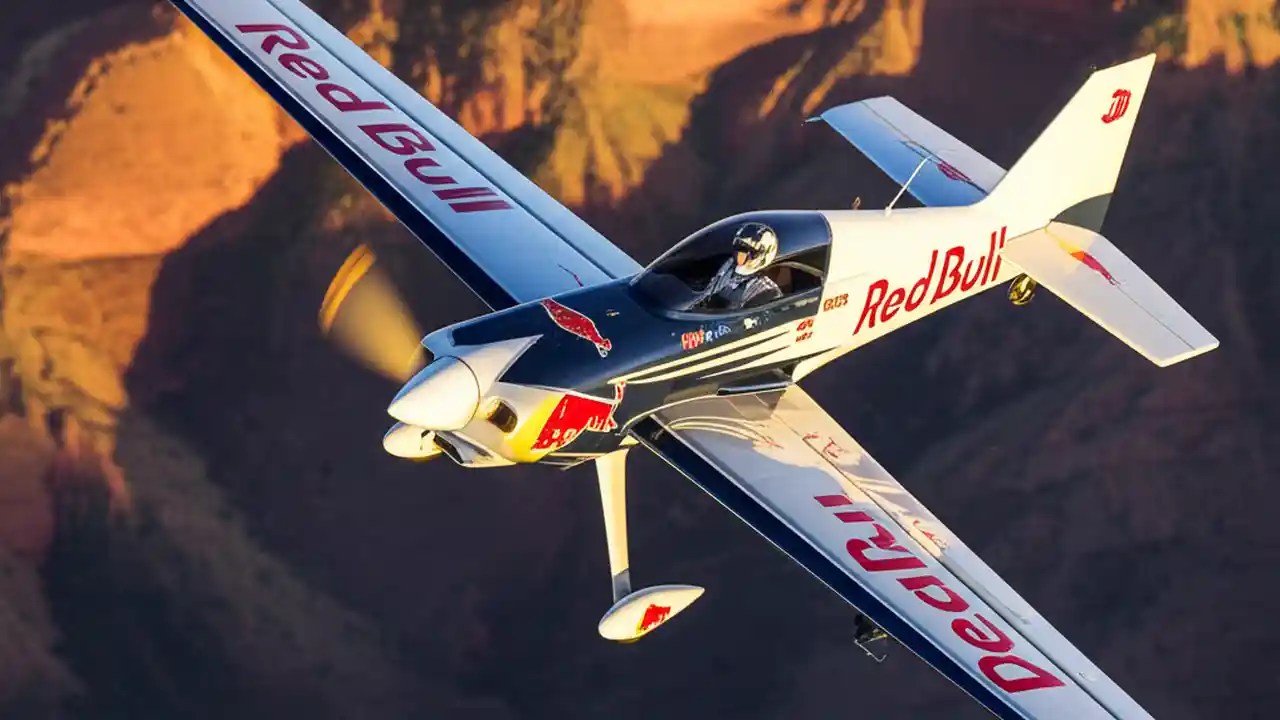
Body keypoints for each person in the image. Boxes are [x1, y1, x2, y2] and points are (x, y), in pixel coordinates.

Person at [694, 222, 782, 310]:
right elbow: (706, 293)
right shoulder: (728, 267)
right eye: (738, 248)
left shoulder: (766, 292)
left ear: (759, 257)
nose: (738, 255)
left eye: (744, 251)